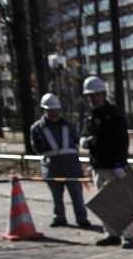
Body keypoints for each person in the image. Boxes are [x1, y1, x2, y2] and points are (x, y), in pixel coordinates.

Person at [80, 75, 133, 249]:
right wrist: (84, 141)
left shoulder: (114, 115)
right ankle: (111, 234)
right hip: (98, 166)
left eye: (97, 95)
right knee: (104, 203)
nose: (94, 99)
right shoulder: (89, 117)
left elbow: (122, 141)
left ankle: (128, 236)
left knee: (121, 202)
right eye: (91, 96)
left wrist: (120, 163)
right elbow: (84, 135)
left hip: (114, 166)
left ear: (103, 94)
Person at [30, 93, 91, 228]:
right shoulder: (37, 128)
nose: (53, 114)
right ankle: (59, 217)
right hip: (52, 166)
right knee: (56, 195)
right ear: (45, 111)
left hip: (71, 166)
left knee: (76, 195)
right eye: (50, 111)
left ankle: (81, 218)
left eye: (56, 111)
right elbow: (36, 147)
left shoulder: (69, 125)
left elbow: (76, 142)